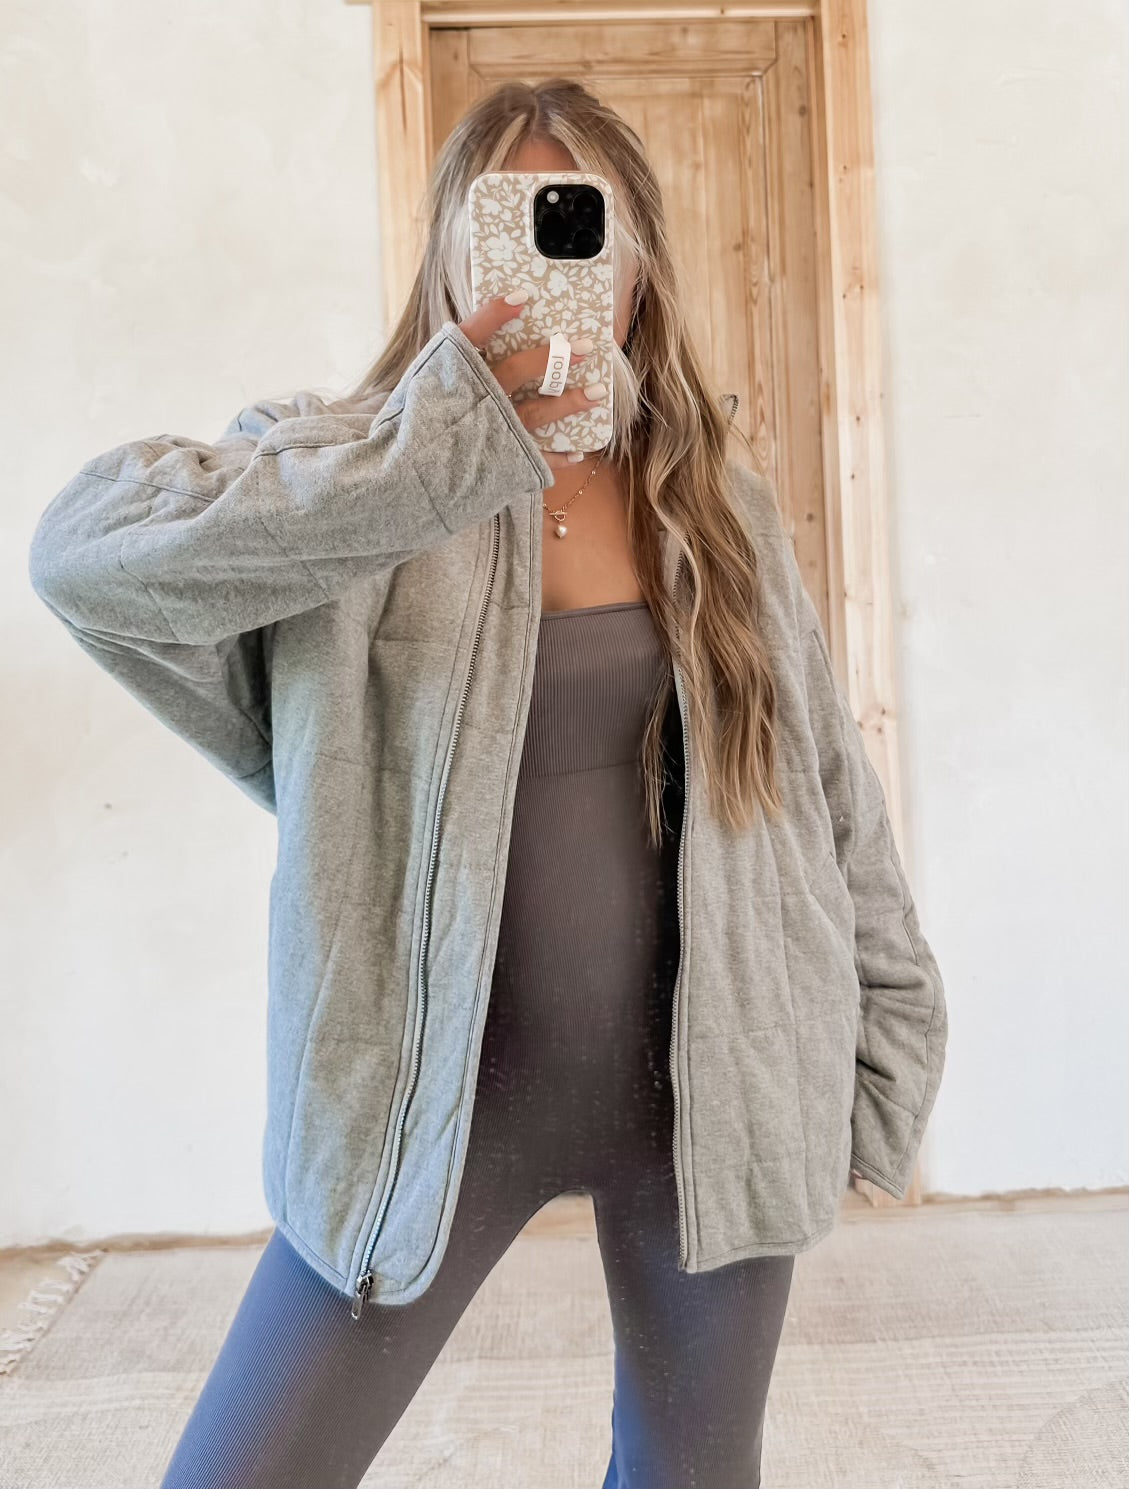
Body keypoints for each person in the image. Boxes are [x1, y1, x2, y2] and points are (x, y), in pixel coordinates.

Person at [28, 78, 947, 1489]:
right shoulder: (341, 475)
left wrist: (890, 1032)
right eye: (509, 223)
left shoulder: (715, 503)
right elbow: (85, 557)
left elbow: (825, 783)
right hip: (424, 1112)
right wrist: (428, 457)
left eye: (582, 224)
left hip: (715, 1090)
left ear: (637, 265)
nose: (549, 258)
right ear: (451, 260)